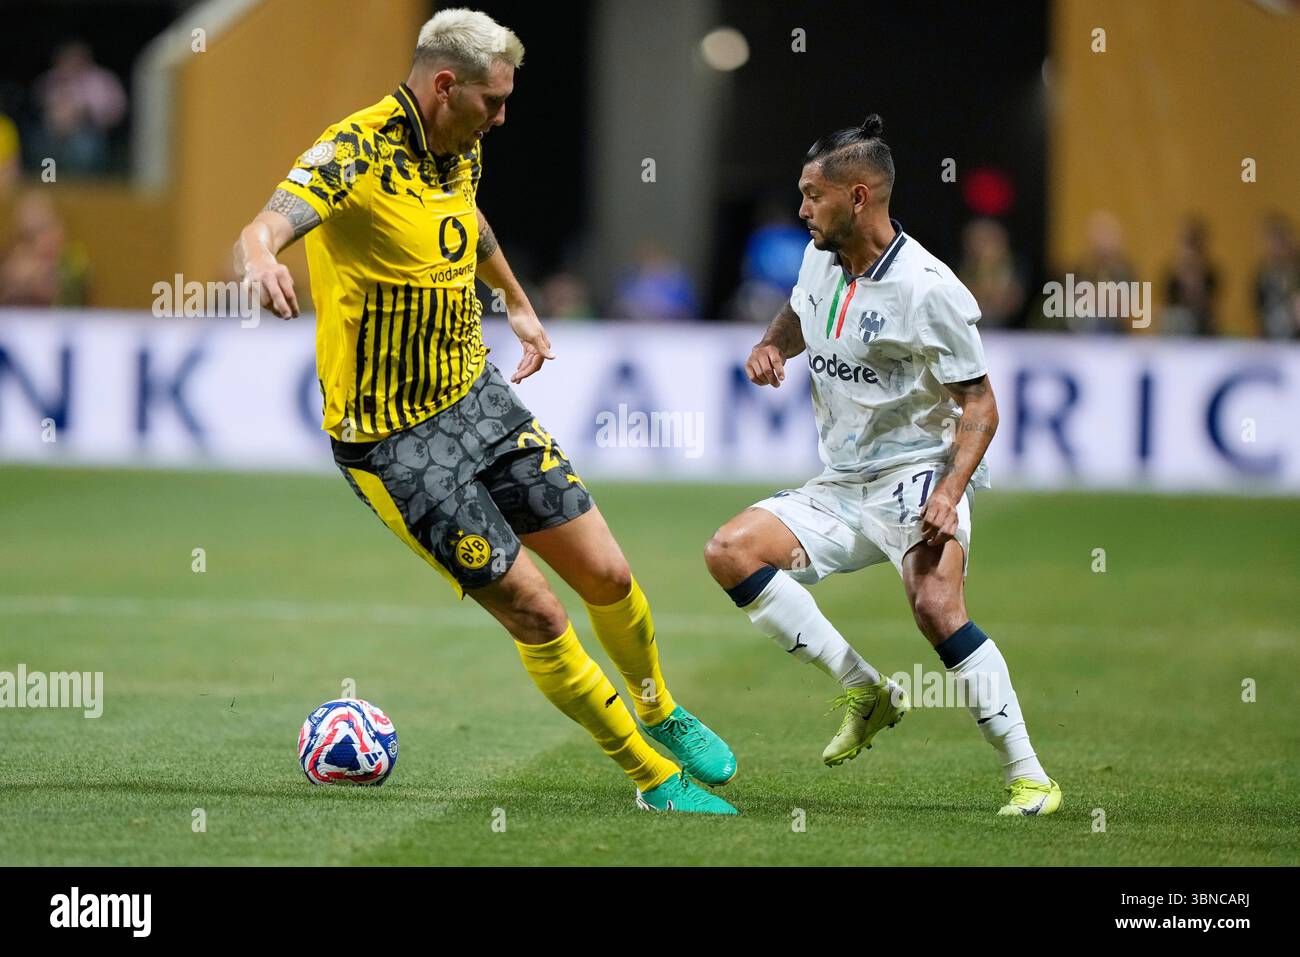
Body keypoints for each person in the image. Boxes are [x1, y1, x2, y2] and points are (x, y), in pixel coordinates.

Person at [232, 8, 736, 814]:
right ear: (444, 85)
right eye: (492, 101)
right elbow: (265, 225)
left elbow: (469, 220)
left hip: (477, 400)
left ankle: (660, 711)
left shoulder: (458, 148)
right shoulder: (353, 151)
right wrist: (260, 258)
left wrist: (517, 301)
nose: (502, 117)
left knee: (607, 572)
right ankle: (651, 776)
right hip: (396, 444)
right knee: (536, 610)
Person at [703, 114, 1061, 817]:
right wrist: (773, 344)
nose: (802, 209)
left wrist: (951, 490)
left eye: (813, 195)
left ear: (859, 196)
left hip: (917, 475)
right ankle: (862, 686)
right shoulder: (818, 257)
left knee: (935, 605)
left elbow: (981, 405)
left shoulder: (928, 290)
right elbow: (800, 312)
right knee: (730, 552)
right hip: (840, 484)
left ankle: (1030, 775)